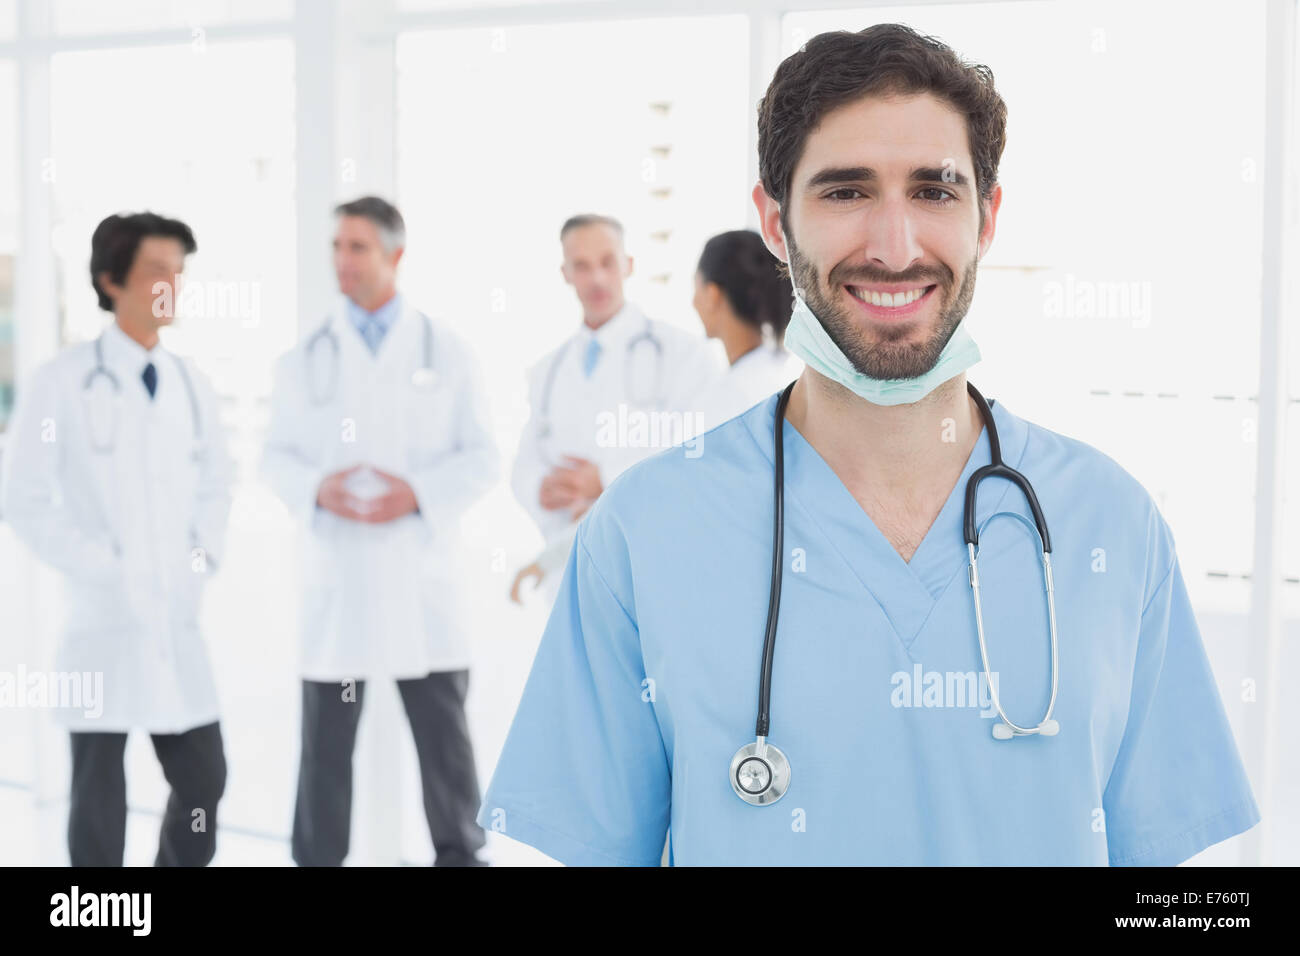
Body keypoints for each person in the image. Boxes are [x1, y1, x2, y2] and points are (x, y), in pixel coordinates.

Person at [476, 24, 1261, 865]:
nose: (894, 247)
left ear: (987, 217)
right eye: (846, 192)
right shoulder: (644, 531)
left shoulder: (1112, 524)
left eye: (934, 191)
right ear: (775, 223)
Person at [261, 196, 499, 866]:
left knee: (444, 742)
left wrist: (416, 495)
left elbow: (481, 456)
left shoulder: (445, 351)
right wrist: (317, 488)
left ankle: (461, 856)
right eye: (337, 246)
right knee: (325, 749)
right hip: (338, 579)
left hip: (419, 579)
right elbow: (273, 456)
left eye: (358, 247)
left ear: (395, 255)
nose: (343, 260)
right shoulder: (304, 357)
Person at [1, 212, 234, 866]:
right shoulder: (63, 380)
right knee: (98, 796)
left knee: (203, 777)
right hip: (100, 619)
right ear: (111, 279)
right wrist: (103, 566)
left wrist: (200, 555)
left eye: (179, 273)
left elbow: (219, 480)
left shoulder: (192, 383)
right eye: (157, 271)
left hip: (177, 621)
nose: (173, 286)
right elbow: (23, 498)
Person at [508, 214, 722, 604]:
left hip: (649, 561)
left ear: (629, 264)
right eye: (583, 266)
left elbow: (697, 449)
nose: (598, 279)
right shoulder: (548, 370)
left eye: (608, 262)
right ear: (565, 273)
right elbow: (524, 464)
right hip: (570, 561)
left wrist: (605, 477)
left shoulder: (682, 353)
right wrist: (544, 488)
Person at [688, 229, 804, 427]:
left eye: (696, 288)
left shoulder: (726, 399)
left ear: (712, 295)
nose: (693, 302)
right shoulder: (786, 375)